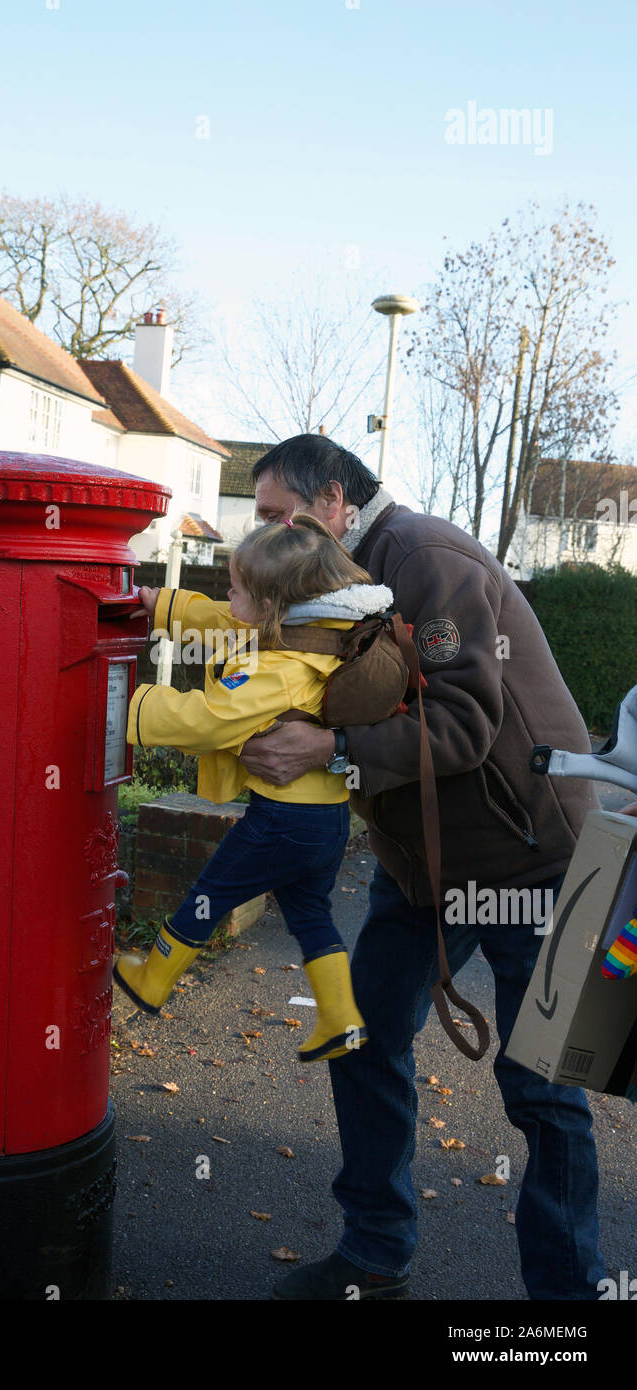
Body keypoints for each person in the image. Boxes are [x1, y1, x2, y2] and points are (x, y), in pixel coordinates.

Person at [237, 433, 606, 1302]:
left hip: (530, 859)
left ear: (333, 502)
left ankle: (570, 1301)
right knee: (361, 1034)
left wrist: (330, 749)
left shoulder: (426, 562)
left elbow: (466, 724)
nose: (260, 534)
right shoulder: (324, 586)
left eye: (272, 515)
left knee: (539, 1086)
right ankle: (375, 1254)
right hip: (427, 868)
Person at [115, 513, 399, 1063]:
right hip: (327, 820)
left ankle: (152, 980)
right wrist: (162, 605)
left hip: (282, 823)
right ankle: (339, 1020)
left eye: (238, 588)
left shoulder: (278, 669)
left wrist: (130, 705)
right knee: (310, 915)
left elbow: (210, 720)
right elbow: (226, 620)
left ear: (270, 606)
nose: (228, 594)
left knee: (209, 894)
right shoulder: (315, 637)